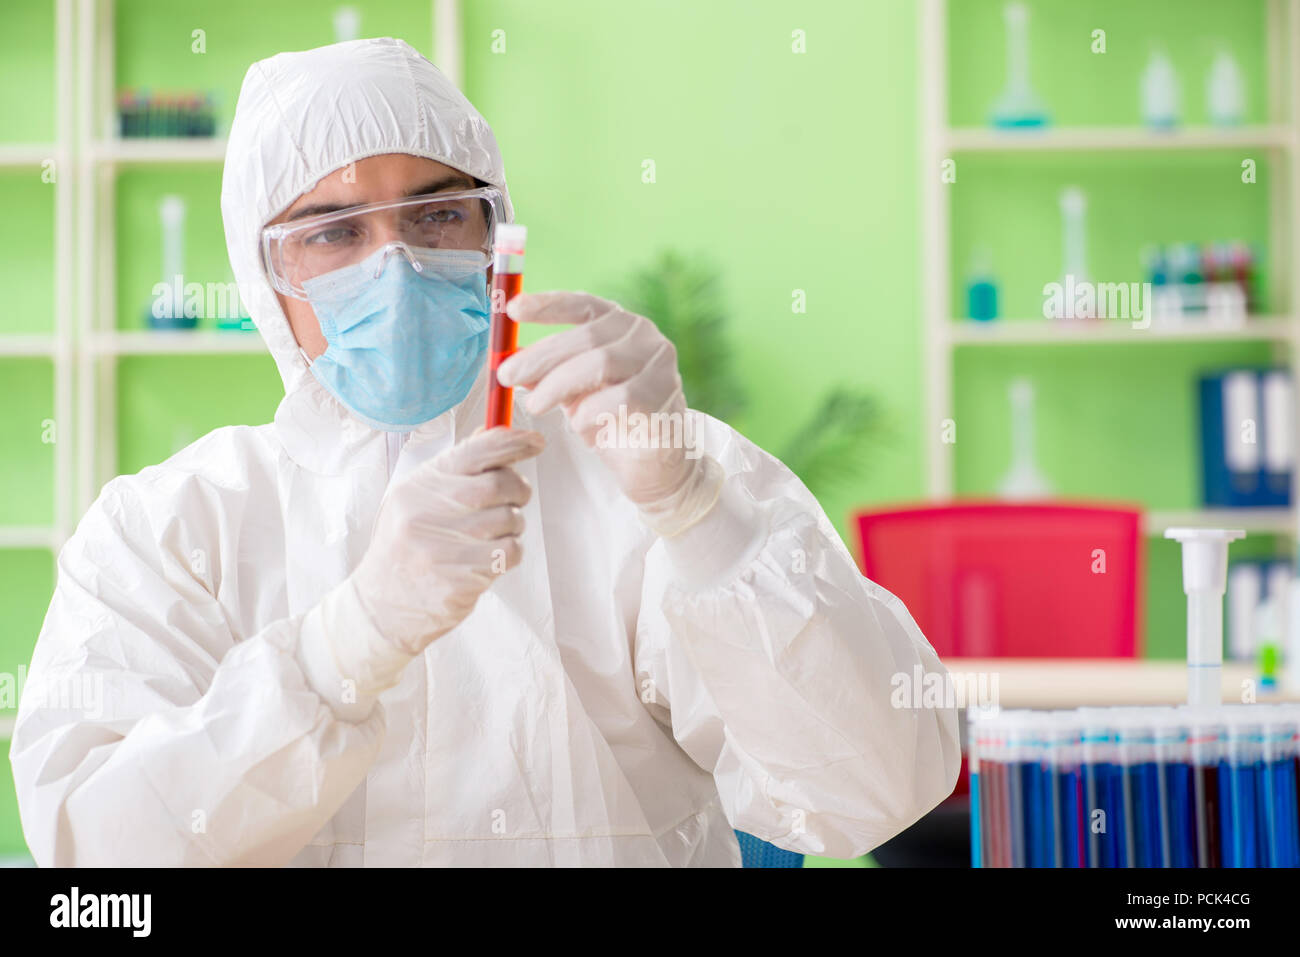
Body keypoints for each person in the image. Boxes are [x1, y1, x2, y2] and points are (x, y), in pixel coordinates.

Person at [10, 37, 959, 867]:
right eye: (334, 231)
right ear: (268, 277)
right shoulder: (169, 528)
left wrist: (697, 515)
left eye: (436, 216)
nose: (397, 263)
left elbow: (881, 790)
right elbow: (98, 863)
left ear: (493, 231)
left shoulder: (651, 469)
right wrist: (348, 641)